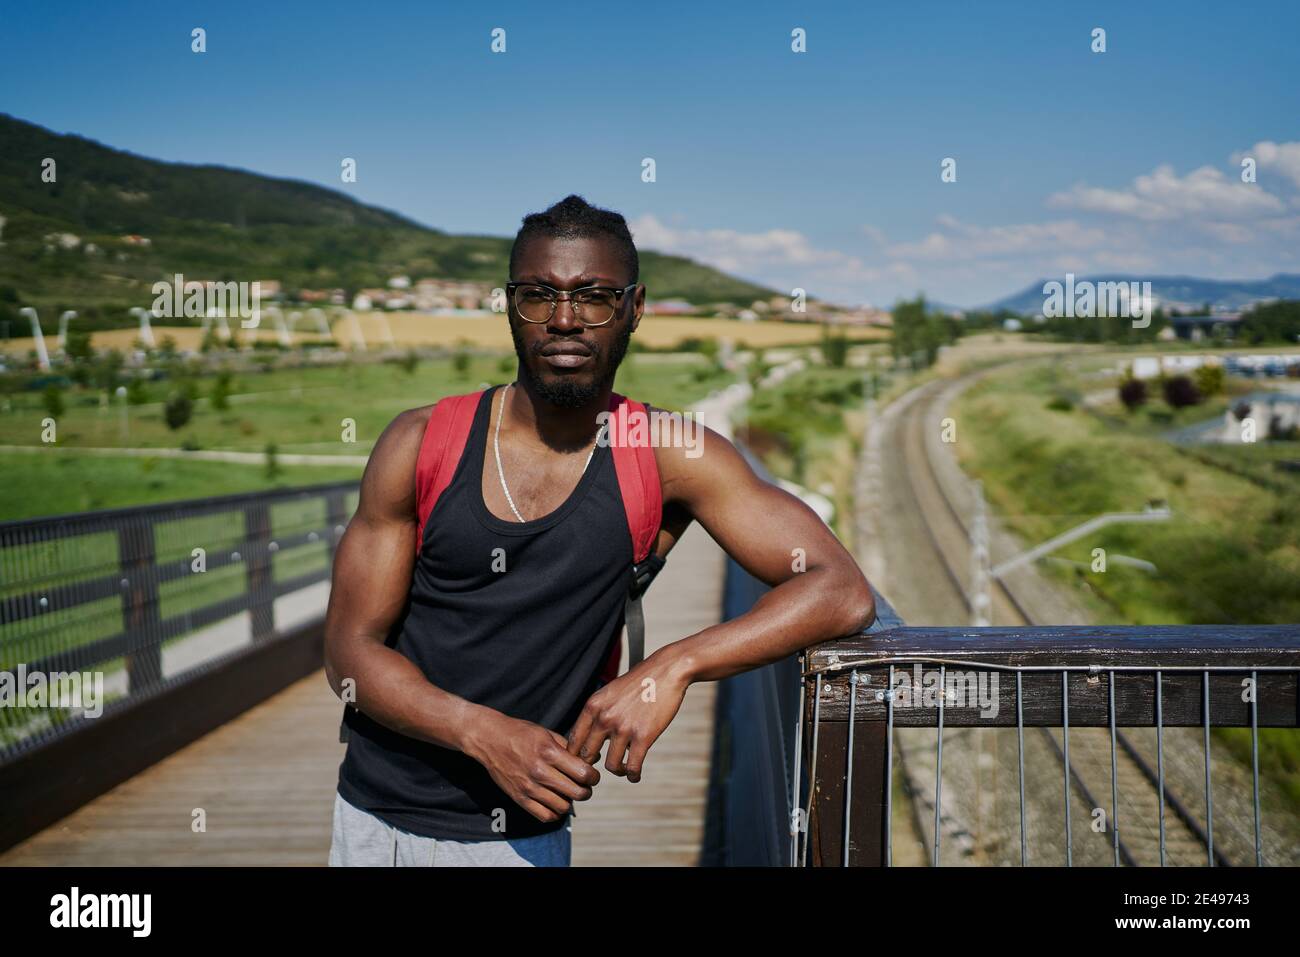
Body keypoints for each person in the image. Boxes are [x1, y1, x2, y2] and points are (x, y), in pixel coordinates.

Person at [324, 194, 875, 866]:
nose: (564, 319)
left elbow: (840, 589)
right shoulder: (422, 442)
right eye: (538, 295)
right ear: (509, 306)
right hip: (369, 819)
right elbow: (349, 652)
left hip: (517, 839)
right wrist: (480, 731)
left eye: (594, 297)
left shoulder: (665, 451)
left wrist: (673, 664)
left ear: (634, 310)